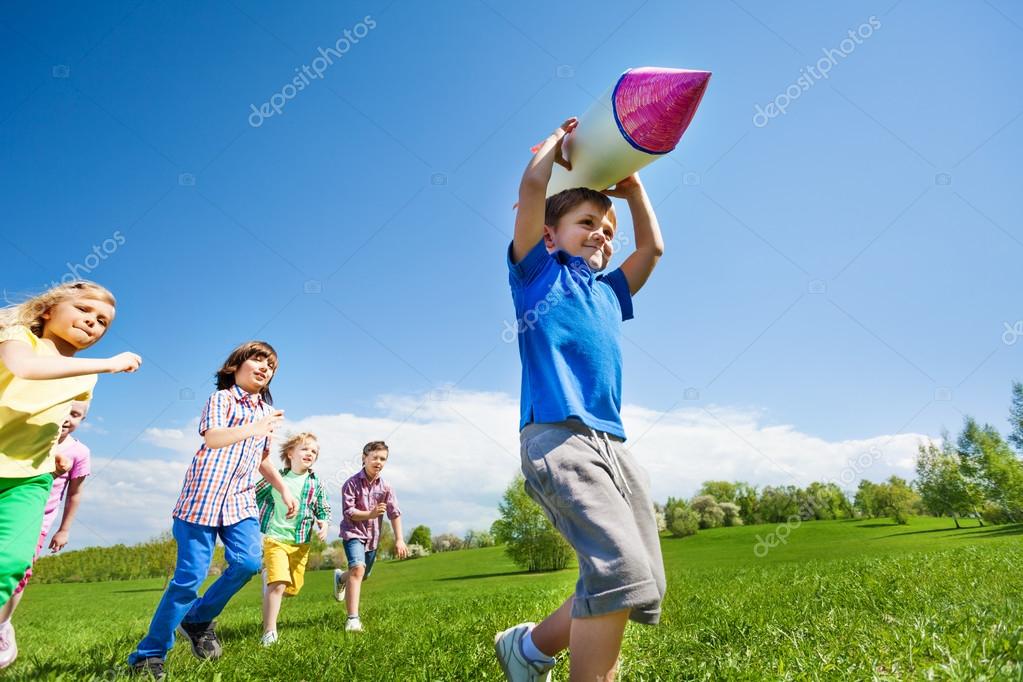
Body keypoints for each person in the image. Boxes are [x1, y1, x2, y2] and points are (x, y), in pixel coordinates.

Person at [494, 118, 667, 681]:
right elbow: (530, 194)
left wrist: (634, 190)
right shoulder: (538, 274)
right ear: (550, 235)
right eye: (586, 222)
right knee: (619, 567)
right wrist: (550, 147)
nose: (600, 234)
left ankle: (528, 650)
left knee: (641, 579)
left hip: (613, 444)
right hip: (557, 437)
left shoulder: (610, 292)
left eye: (606, 228)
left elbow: (653, 248)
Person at [127, 341, 296, 680]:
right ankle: (148, 655)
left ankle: (198, 618)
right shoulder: (222, 399)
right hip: (201, 499)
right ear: (235, 366)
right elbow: (214, 438)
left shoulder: (265, 412)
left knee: (248, 562)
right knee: (188, 581)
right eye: (258, 360)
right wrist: (256, 426)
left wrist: (283, 487)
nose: (265, 368)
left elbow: (261, 457)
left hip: (240, 501)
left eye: (271, 365)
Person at [0, 281, 140, 670]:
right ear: (48, 310)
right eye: (84, 311)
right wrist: (109, 362)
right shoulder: (17, 338)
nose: (93, 323)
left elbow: (63, 419)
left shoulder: (84, 377)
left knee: (11, 560)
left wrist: (59, 445)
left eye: (102, 323)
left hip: (29, 475)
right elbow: (23, 369)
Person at [257, 431, 330, 646]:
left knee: (292, 588)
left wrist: (323, 522)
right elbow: (251, 494)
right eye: (305, 448)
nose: (310, 453)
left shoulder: (316, 484)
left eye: (314, 451)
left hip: (300, 543)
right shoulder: (275, 479)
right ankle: (269, 632)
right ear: (290, 453)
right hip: (275, 539)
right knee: (278, 585)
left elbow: (323, 507)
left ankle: (268, 578)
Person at [332, 440, 408, 632]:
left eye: (383, 459)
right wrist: (370, 514)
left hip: (373, 537)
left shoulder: (386, 487)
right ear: (364, 458)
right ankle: (352, 619)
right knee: (358, 569)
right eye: (374, 457)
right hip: (353, 533)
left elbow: (394, 513)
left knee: (362, 574)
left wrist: (399, 539)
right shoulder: (351, 484)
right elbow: (349, 512)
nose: (379, 462)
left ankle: (341, 579)